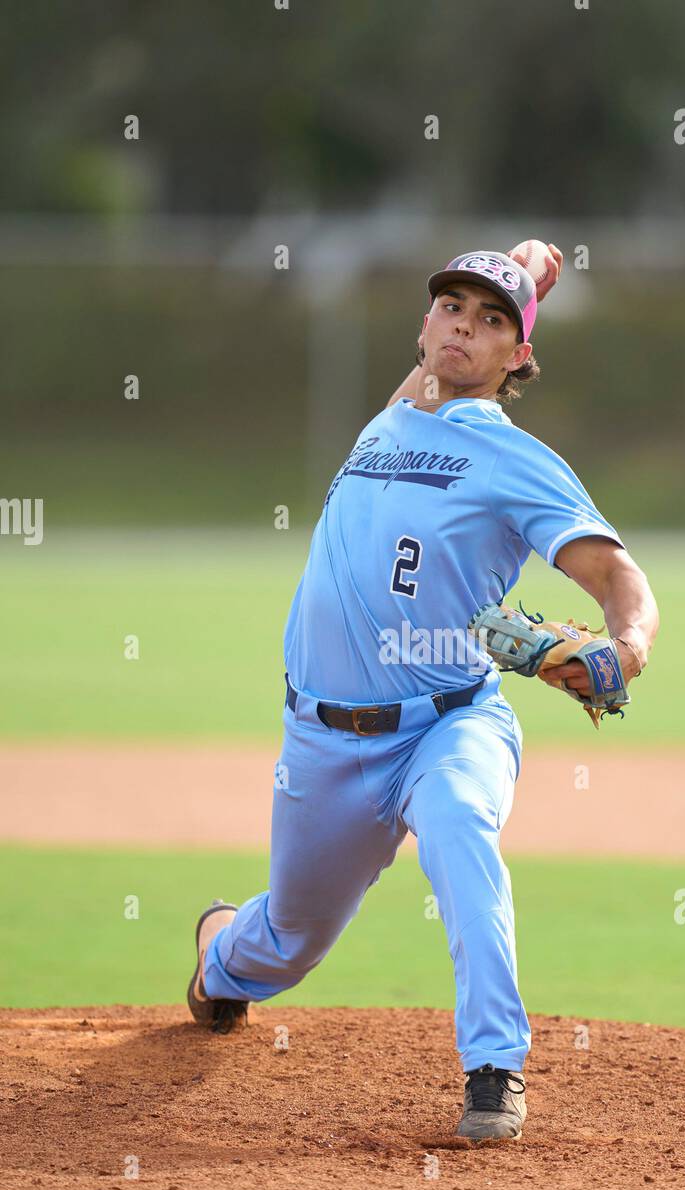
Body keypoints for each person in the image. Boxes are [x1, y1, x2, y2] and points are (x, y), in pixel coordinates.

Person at [188, 244, 659, 1142]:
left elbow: (618, 578)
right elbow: (439, 369)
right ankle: (220, 954)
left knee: (459, 832)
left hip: (452, 722)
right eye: (452, 307)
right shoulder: (394, 416)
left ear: (518, 358)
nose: (464, 328)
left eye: (491, 322)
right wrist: (523, 282)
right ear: (424, 326)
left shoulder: (516, 461)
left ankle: (494, 1069)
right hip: (324, 742)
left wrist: (627, 648)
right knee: (286, 941)